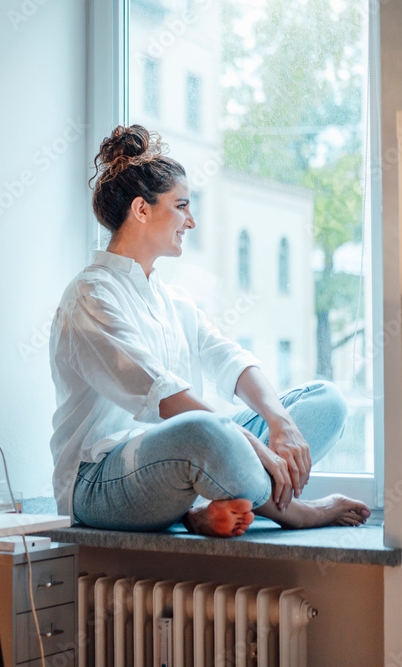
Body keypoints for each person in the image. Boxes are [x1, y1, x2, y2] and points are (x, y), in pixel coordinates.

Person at [48, 125, 370, 538]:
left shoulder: (173, 300)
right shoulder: (90, 297)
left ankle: (204, 505)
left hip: (191, 458)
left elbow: (231, 360)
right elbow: (163, 399)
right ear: (142, 210)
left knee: (326, 401)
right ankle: (295, 511)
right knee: (207, 431)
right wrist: (251, 446)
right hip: (99, 482)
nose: (191, 220)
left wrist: (280, 424)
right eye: (181, 206)